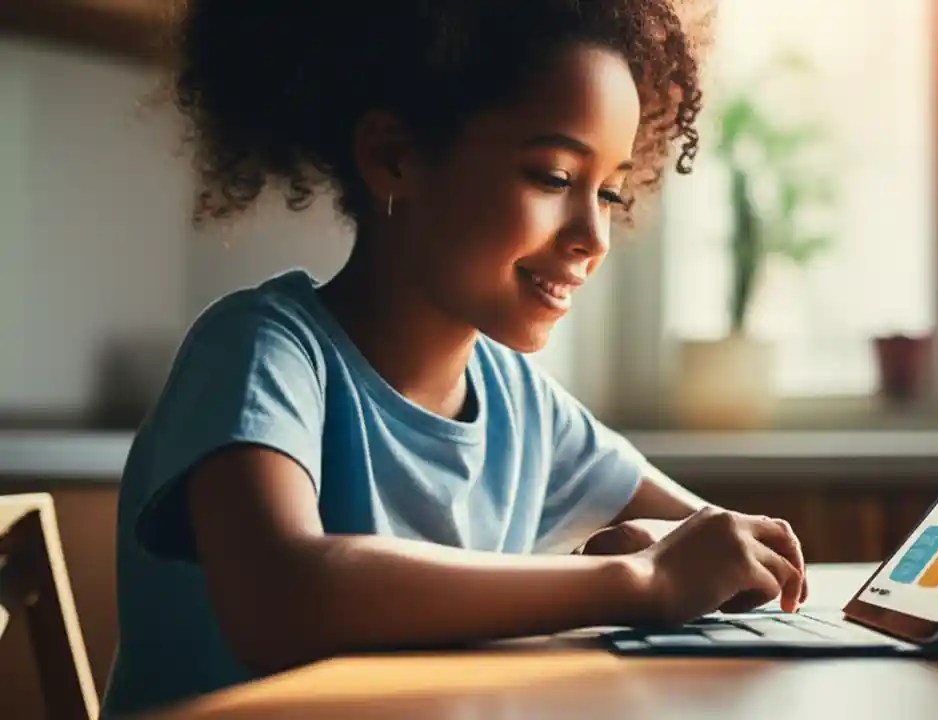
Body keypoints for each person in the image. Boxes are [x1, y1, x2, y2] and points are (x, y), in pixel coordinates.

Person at [105, 1, 807, 714]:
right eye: (554, 177)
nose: (595, 235)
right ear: (394, 157)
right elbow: (280, 599)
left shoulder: (518, 400)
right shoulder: (262, 353)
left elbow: (723, 547)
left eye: (610, 190)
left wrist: (664, 549)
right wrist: (638, 579)